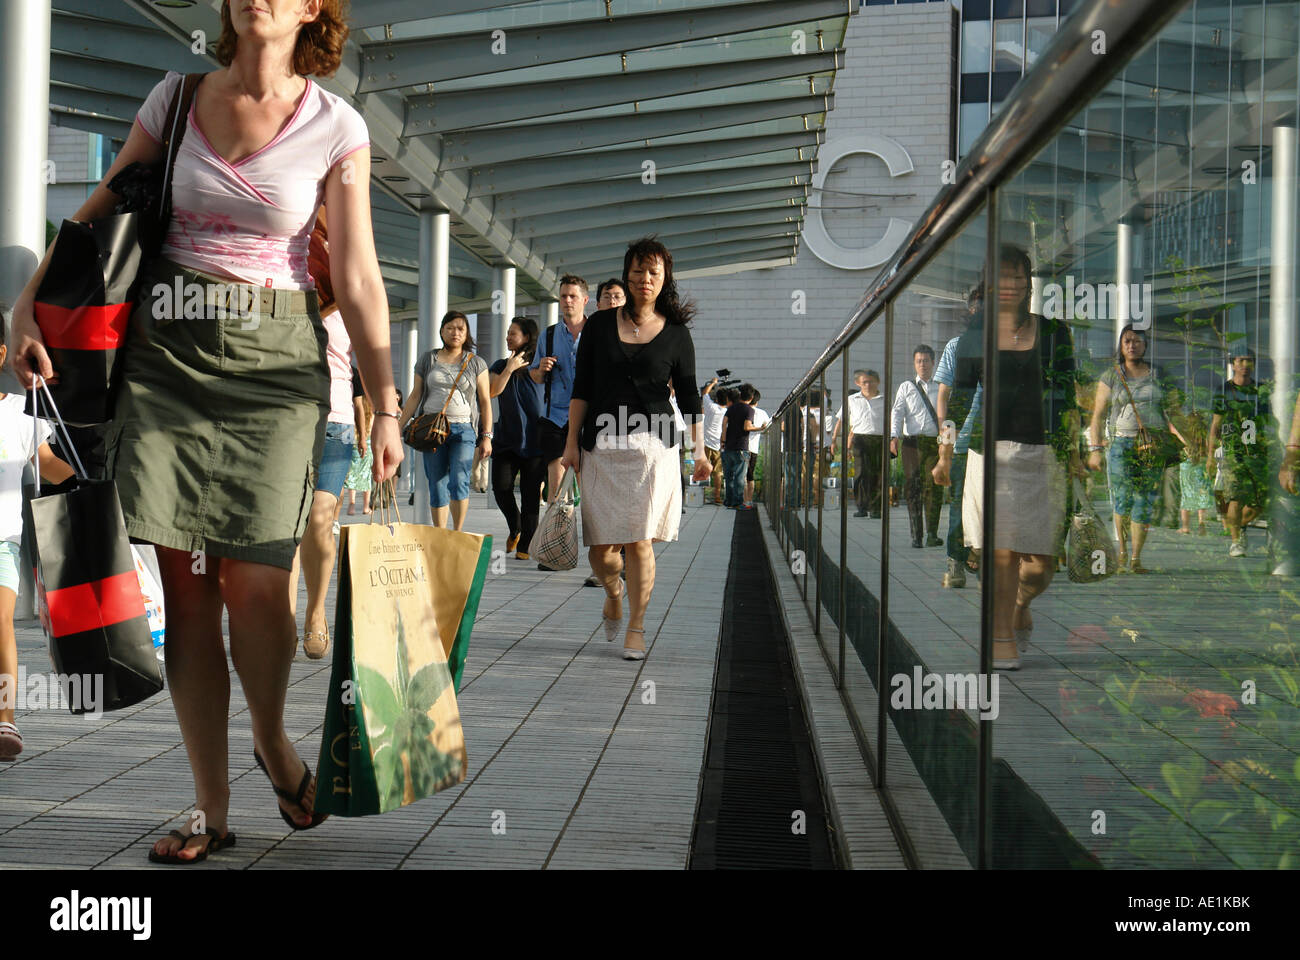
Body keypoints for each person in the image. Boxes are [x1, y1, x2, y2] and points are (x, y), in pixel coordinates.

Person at [9, 0, 403, 861]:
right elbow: (95, 211)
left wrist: (385, 406)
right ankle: (209, 809)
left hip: (274, 372)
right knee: (187, 588)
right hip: (166, 363)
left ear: (312, 12)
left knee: (256, 584)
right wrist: (24, 305)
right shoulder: (175, 98)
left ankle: (272, 740)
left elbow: (363, 275)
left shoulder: (337, 124)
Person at [934, 245, 1082, 671]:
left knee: (1041, 565)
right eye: (1004, 276)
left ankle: (1020, 602)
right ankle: (1000, 636)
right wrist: (944, 456)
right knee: (1001, 555)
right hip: (989, 455)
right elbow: (958, 408)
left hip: (1044, 457)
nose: (1014, 284)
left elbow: (1068, 397)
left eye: (1020, 276)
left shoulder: (1056, 333)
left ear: (1029, 283)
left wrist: (1075, 451)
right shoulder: (972, 340)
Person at [563, 238, 710, 660]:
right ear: (626, 274)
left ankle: (637, 625)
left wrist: (699, 452)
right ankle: (613, 591)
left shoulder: (677, 334)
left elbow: (688, 398)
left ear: (664, 279)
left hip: (654, 447)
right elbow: (582, 389)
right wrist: (571, 444)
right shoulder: (598, 326)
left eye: (654, 272)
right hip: (602, 447)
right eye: (639, 270)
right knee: (601, 550)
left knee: (639, 541)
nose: (646, 279)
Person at [288, 212, 365, 660]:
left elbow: (371, 352)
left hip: (334, 417)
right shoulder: (277, 279)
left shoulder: (348, 286)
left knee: (319, 517)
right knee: (286, 524)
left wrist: (385, 422)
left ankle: (316, 613)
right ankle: (287, 615)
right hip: (283, 416)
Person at [0, 325, 75, 759]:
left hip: (3, 541)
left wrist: (91, 487)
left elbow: (46, 464)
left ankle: (5, 719)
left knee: (1, 625)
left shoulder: (21, 413)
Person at [1087, 324, 1187, 573]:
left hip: (1152, 446)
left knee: (1145, 501)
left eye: (1137, 341)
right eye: (1127, 341)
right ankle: (1121, 552)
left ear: (1146, 346)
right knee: (1122, 500)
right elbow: (1098, 415)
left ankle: (1136, 558)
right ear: (1121, 346)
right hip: (1122, 443)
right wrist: (1095, 448)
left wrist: (1192, 440)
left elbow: (1174, 410)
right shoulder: (1112, 375)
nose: (1132, 345)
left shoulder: (1159, 374)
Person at [401, 311, 492, 530]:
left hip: (463, 430)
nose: (455, 332)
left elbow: (485, 401)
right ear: (442, 331)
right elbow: (415, 395)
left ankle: (457, 533)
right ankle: (441, 534)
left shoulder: (476, 362)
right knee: (437, 484)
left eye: (461, 328)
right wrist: (397, 426)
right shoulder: (428, 359)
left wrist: (487, 436)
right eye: (450, 327)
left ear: (467, 333)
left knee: (459, 480)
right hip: (432, 430)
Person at [489, 317, 546, 559]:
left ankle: (525, 547)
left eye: (513, 333)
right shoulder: (500, 364)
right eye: (508, 333)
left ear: (527, 337)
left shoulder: (540, 365)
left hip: (536, 440)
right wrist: (509, 369)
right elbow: (492, 391)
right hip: (505, 439)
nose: (508, 337)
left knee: (531, 495)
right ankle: (516, 528)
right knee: (501, 488)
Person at [530, 275, 589, 507]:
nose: (567, 301)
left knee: (587, 483)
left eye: (573, 296)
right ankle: (557, 536)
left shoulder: (595, 333)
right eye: (563, 296)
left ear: (585, 300)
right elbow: (534, 375)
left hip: (588, 416)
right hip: (554, 416)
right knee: (556, 485)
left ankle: (597, 538)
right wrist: (542, 368)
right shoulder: (549, 335)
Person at [1208, 349, 1272, 558]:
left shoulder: (1260, 390)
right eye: (1240, 360)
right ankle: (1236, 542)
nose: (1245, 364)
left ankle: (1239, 526)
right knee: (1235, 497)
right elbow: (1215, 424)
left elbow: (1268, 422)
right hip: (1233, 452)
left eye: (1249, 361)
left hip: (1256, 452)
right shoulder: (1224, 390)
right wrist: (1210, 455)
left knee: (1259, 502)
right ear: (1233, 364)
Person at [891, 346, 943, 548]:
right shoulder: (906, 387)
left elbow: (946, 417)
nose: (923, 364)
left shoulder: (941, 387)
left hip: (934, 443)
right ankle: (916, 535)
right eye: (919, 361)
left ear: (933, 362)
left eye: (926, 360)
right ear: (914, 364)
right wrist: (894, 436)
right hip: (911, 443)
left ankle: (932, 533)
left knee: (933, 486)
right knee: (913, 487)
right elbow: (897, 412)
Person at [831, 370, 885, 519]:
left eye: (871, 381)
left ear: (878, 382)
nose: (868, 385)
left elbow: (892, 421)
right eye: (864, 382)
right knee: (861, 473)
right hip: (860, 439)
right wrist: (834, 439)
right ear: (858, 383)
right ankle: (861, 507)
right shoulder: (852, 399)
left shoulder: (885, 400)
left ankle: (875, 508)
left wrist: (893, 438)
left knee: (877, 475)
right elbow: (841, 420)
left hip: (879, 439)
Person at [721, 384, 763, 509]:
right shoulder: (749, 410)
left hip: (728, 446)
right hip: (741, 446)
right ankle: (738, 503)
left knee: (728, 477)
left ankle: (728, 501)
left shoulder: (732, 408)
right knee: (739, 477)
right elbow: (747, 427)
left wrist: (723, 440)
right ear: (751, 397)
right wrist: (761, 428)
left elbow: (724, 424)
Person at [344, 394, 374, 516]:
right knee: (366, 476)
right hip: (368, 445)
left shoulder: (353, 411)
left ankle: (351, 505)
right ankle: (366, 507)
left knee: (352, 474)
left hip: (354, 443)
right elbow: (373, 429)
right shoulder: (371, 414)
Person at [700, 380, 728, 504]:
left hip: (705, 443)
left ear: (716, 398)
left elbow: (704, 393)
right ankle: (717, 497)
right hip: (717, 444)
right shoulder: (726, 412)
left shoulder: (711, 407)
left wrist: (713, 383)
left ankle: (701, 496)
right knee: (717, 472)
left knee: (703, 469)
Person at [744, 386, 770, 508]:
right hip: (753, 448)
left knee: (742, 475)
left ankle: (743, 501)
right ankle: (749, 500)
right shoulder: (762, 413)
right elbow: (768, 427)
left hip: (742, 447)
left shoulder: (743, 410)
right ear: (757, 400)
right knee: (750, 475)